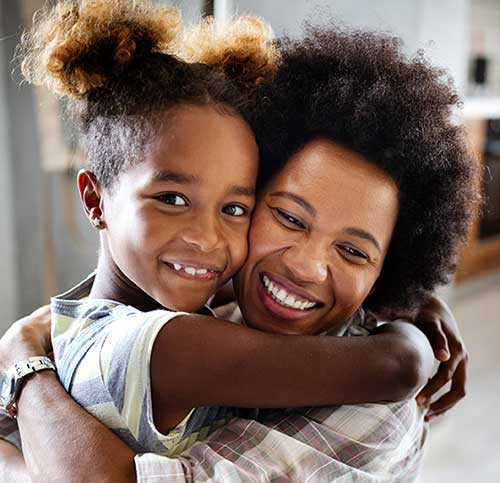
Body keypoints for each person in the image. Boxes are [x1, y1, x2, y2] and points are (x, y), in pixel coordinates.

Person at [0, 7, 478, 483]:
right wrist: (413, 340)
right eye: (289, 217)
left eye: (232, 209)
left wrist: (414, 301)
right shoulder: (165, 340)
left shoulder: (179, 308)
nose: (207, 238)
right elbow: (395, 366)